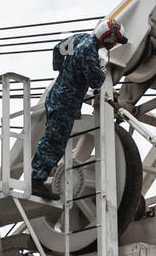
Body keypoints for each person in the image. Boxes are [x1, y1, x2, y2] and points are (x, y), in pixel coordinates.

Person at [29, 18, 128, 200]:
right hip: (65, 102)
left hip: (57, 97)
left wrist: (60, 68)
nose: (113, 45)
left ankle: (37, 178)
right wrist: (103, 70)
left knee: (52, 138)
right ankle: (35, 180)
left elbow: (57, 49)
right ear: (106, 36)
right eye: (113, 40)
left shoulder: (79, 38)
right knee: (54, 141)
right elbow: (96, 80)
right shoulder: (89, 51)